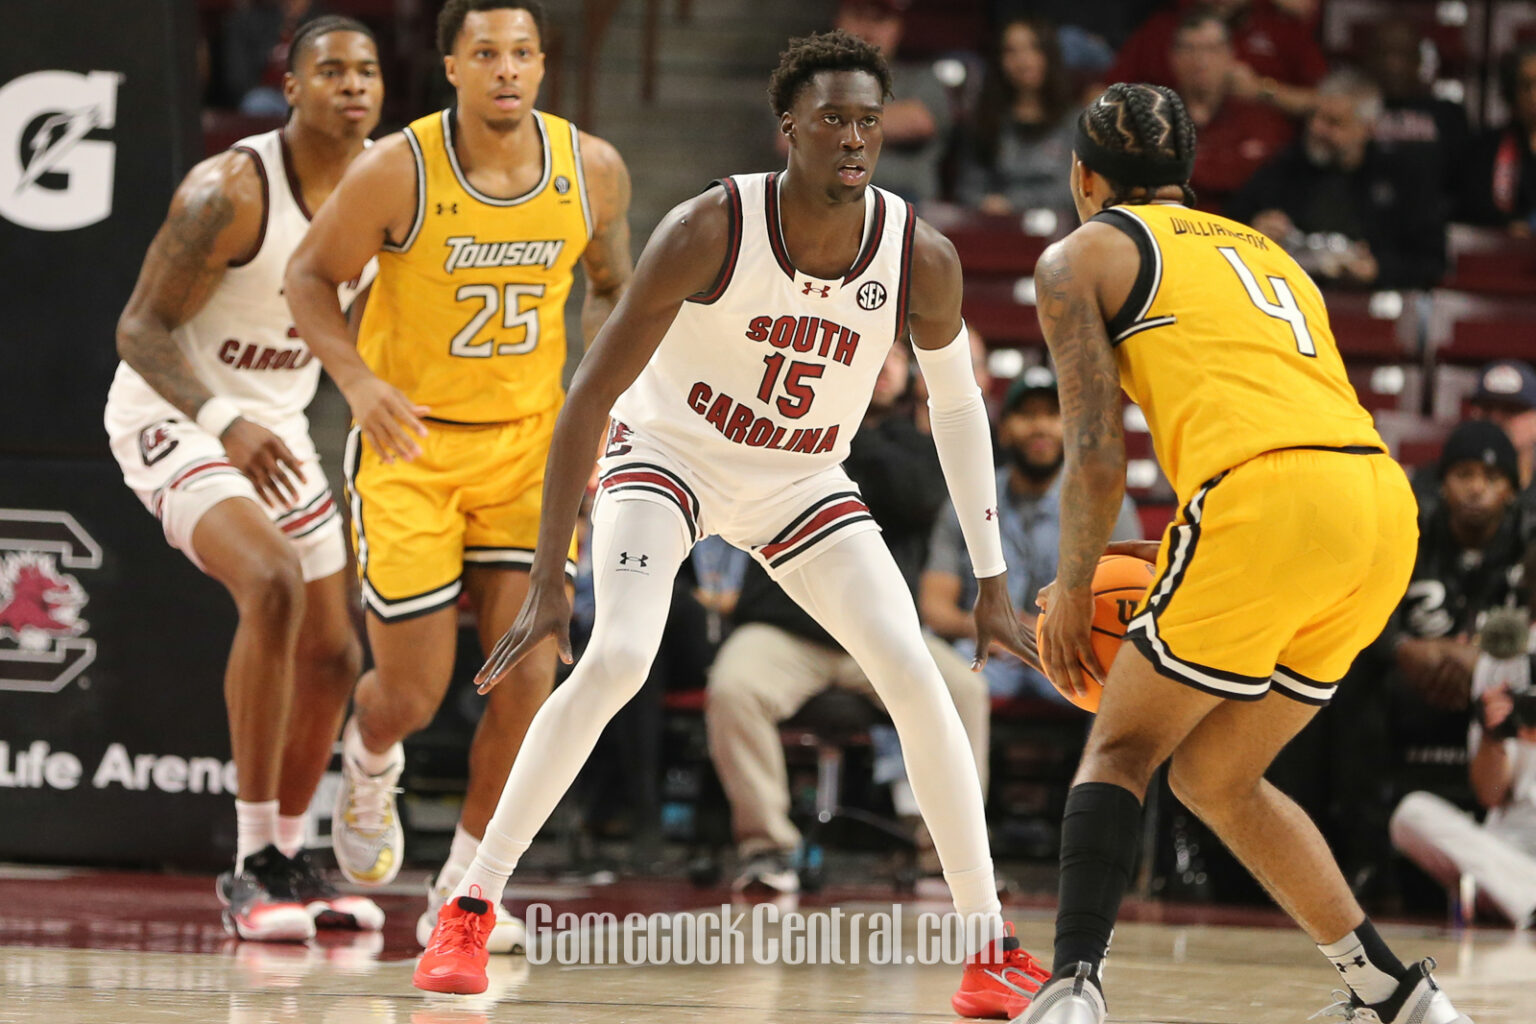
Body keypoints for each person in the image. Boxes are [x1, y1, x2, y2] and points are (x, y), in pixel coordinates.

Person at [414, 30, 1050, 1020]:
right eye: (832, 118)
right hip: (668, 457)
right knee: (619, 655)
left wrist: (993, 576)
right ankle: (468, 901)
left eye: (869, 121)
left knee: (915, 671)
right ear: (788, 127)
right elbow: (588, 396)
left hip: (800, 477)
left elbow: (962, 414)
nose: (853, 138)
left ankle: (989, 944)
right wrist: (550, 575)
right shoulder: (711, 226)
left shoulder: (919, 254)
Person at [1015, 83, 1473, 1024]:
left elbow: (1099, 460)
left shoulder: (1079, 255)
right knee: (1216, 778)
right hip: (1378, 505)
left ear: (1083, 177)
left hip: (1263, 497)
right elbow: (1282, 411)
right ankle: (1395, 994)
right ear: (1188, 174)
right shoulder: (1269, 251)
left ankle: (1070, 992)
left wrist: (1071, 595)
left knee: (1123, 745)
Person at [283, 0, 633, 952]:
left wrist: (598, 405)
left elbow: (616, 286)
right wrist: (355, 382)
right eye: (487, 53)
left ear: (542, 64)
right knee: (415, 690)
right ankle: (369, 757)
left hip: (529, 449)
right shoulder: (397, 167)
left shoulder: (591, 167)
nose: (508, 69)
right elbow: (307, 279)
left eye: (523, 52)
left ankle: (466, 891)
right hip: (413, 449)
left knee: (528, 672)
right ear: (450, 66)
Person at [105, 16, 385, 942]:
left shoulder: (389, 187)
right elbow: (140, 331)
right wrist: (221, 422)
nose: (353, 85)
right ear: (291, 88)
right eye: (331, 71)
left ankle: (294, 854)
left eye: (368, 71)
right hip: (174, 409)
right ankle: (249, 863)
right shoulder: (227, 190)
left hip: (276, 421)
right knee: (269, 585)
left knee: (338, 654)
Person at [706, 344, 990, 894]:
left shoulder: (919, 443)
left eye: (894, 360)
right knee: (733, 687)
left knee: (965, 692)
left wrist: (844, 425)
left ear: (910, 375)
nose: (883, 367)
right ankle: (769, 847)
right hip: (789, 630)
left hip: (880, 638)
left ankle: (946, 854)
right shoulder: (786, 421)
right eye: (871, 355)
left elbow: (917, 500)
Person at [921, 367, 1139, 702]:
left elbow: (1133, 606)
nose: (1040, 426)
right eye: (1027, 415)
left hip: (1075, 652)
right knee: (927, 671)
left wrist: (1050, 630)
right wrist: (996, 626)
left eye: (1054, 415)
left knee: (1127, 676)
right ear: (1004, 429)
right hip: (985, 653)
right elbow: (934, 606)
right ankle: (903, 758)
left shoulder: (1106, 504)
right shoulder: (968, 497)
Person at [1228, 69, 1447, 291]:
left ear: (1367, 129)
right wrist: (1253, 234)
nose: (1316, 129)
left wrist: (1378, 270)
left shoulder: (1402, 179)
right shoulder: (1284, 167)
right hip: (1289, 296)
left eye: (1333, 123)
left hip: (1370, 307)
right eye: (1314, 116)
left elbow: (1433, 264)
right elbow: (1230, 231)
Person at [1390, 618, 1536, 929]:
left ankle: (1516, 899)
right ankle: (1524, 897)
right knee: (1411, 813)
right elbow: (1490, 795)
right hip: (1510, 851)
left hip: (1501, 877)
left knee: (1493, 881)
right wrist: (1492, 737)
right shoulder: (1507, 657)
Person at [1165, 8, 1293, 213]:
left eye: (1211, 49)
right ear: (1173, 57)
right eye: (1189, 49)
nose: (1200, 61)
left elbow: (1270, 182)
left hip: (1241, 231)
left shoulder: (1258, 117)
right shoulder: (1155, 115)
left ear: (1231, 55)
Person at [1107, 0, 1326, 119]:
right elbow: (1100, 93)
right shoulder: (1164, 27)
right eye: (1188, 49)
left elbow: (1326, 102)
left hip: (1258, 161)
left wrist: (1263, 90)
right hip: (1173, 152)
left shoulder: (1280, 26)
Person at [953, 18, 1078, 220]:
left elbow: (1073, 190)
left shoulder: (1075, 122)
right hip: (996, 227)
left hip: (1058, 232)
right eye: (1011, 51)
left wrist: (1012, 203)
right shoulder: (983, 119)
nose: (1022, 60)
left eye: (1033, 48)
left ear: (1049, 55)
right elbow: (968, 187)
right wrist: (984, 203)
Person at [832, 0, 952, 204]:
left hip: (904, 204)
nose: (868, 30)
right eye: (859, 17)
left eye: (880, 20)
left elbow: (918, 123)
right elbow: (786, 138)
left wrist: (831, 122)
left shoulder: (921, 79)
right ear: (838, 22)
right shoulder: (813, 79)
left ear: (898, 29)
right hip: (829, 203)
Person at [1460, 43, 1536, 232]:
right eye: (1526, 86)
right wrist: (1508, 224)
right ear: (1511, 93)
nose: (1535, 96)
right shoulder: (1486, 146)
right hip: (1503, 252)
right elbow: (1470, 206)